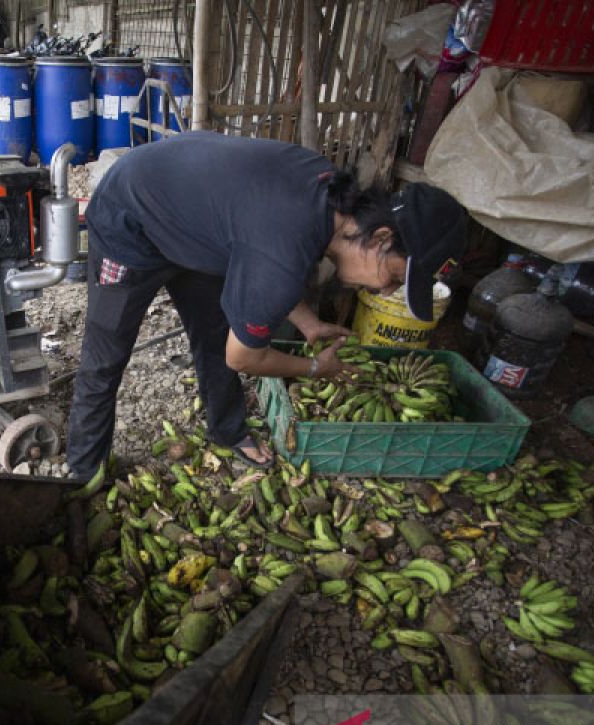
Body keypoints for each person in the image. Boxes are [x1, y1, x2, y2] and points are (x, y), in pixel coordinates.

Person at [65, 132, 468, 481]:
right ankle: (84, 471)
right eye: (394, 277)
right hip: (130, 216)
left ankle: (227, 430)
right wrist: (315, 368)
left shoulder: (330, 200)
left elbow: (263, 256)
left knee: (216, 332)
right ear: (379, 239)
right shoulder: (285, 248)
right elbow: (244, 357)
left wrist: (308, 323)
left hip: (196, 224)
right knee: (106, 356)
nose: (384, 292)